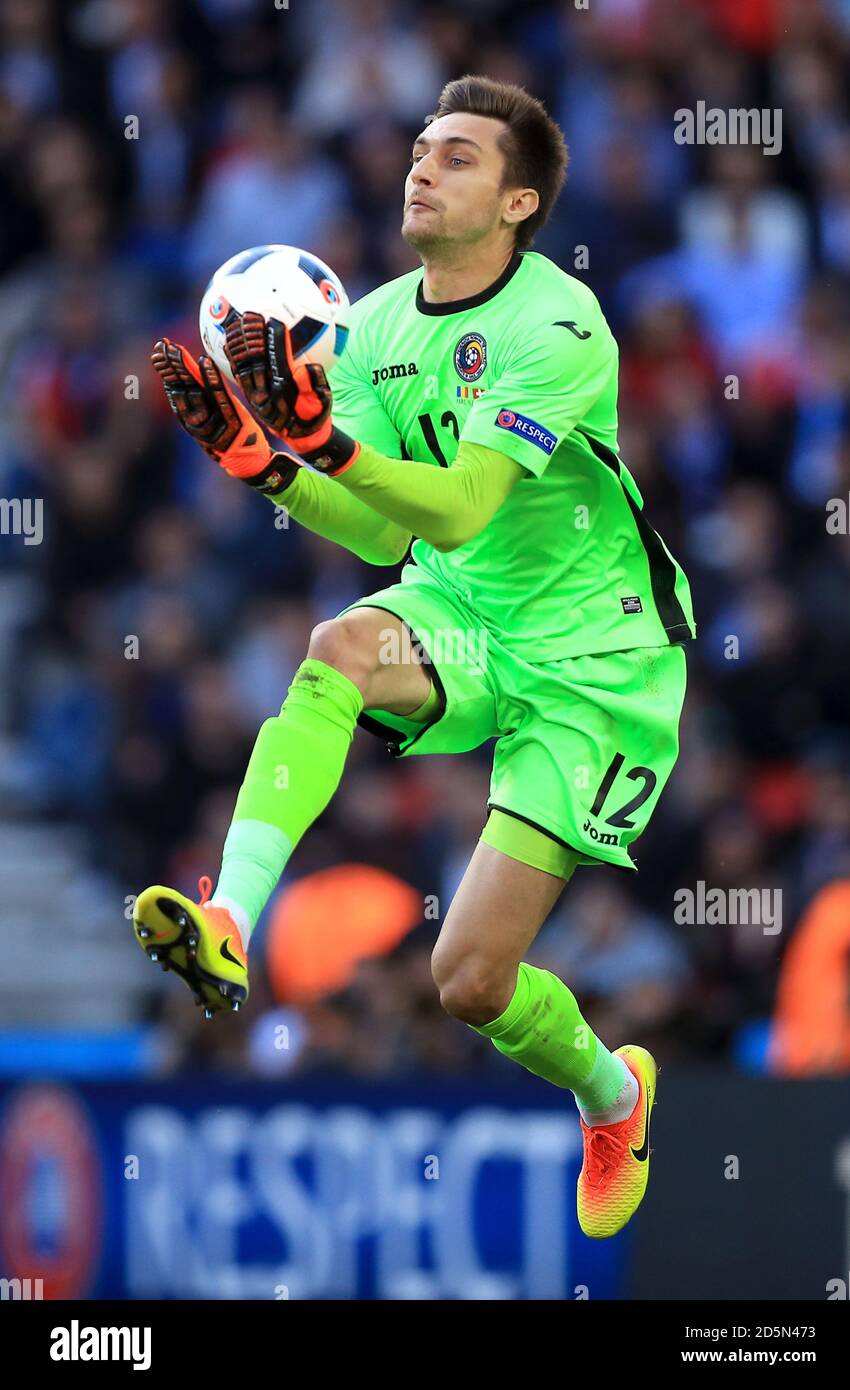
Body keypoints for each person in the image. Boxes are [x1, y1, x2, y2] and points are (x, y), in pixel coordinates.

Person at [134, 74, 696, 1239]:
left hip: (593, 656)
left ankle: (611, 1092)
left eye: (456, 157)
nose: (421, 168)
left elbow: (453, 504)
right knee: (335, 643)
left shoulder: (558, 322)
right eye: (420, 148)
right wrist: (264, 465)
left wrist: (317, 439)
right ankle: (229, 923)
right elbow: (385, 533)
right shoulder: (376, 325)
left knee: (468, 982)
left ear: (517, 201)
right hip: (464, 608)